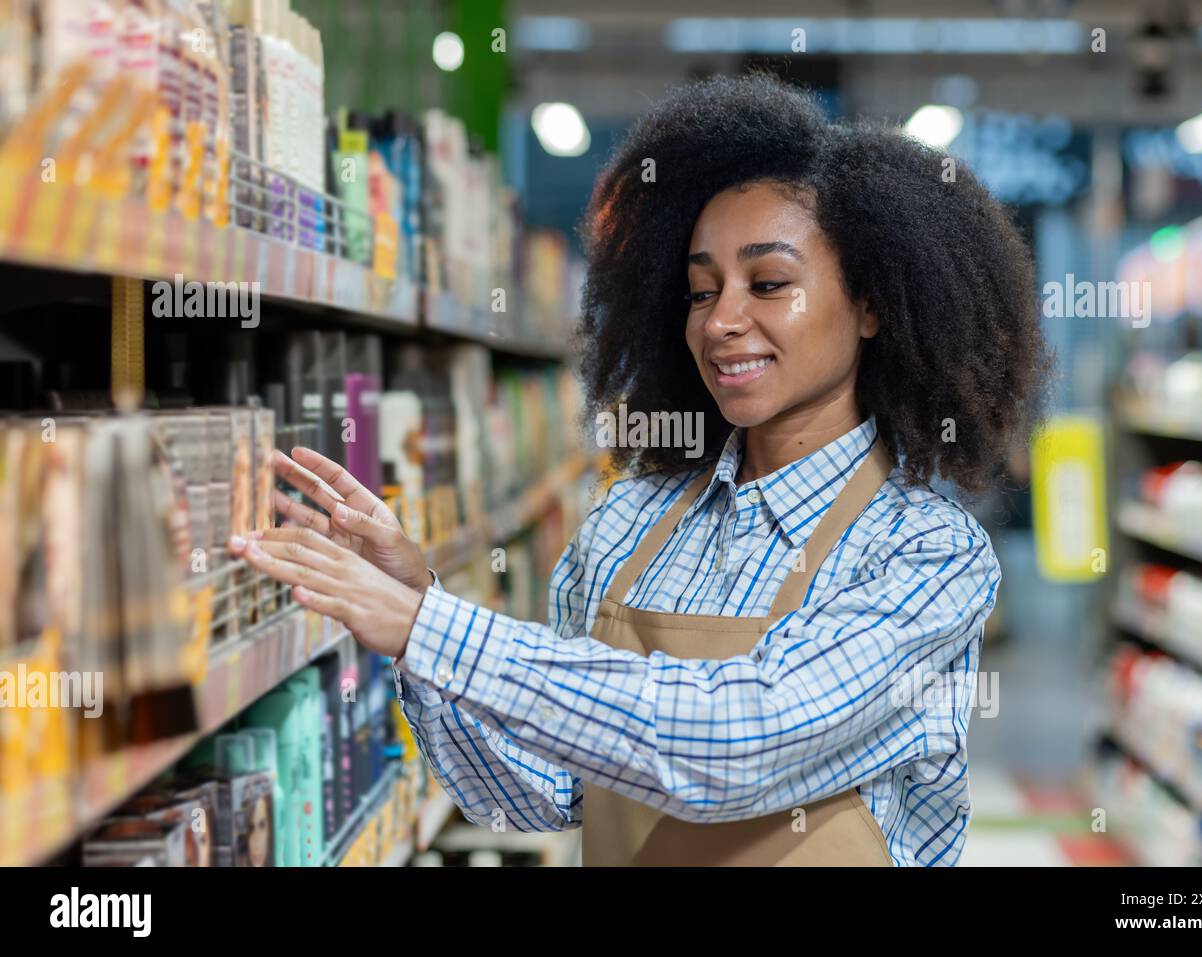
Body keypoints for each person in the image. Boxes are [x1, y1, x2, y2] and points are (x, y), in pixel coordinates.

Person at [229, 73, 1049, 866]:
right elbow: (539, 794)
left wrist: (433, 630)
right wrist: (416, 614)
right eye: (700, 291)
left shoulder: (926, 553)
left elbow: (739, 744)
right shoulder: (631, 520)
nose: (724, 320)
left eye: (769, 283)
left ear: (874, 305)